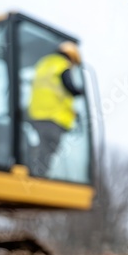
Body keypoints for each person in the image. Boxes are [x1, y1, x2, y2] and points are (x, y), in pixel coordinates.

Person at [27, 41, 83, 177]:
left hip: (37, 115)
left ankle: (33, 167)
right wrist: (80, 91)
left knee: (42, 146)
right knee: (49, 148)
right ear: (71, 57)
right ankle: (39, 175)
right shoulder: (62, 65)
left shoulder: (43, 64)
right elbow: (69, 86)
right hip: (53, 118)